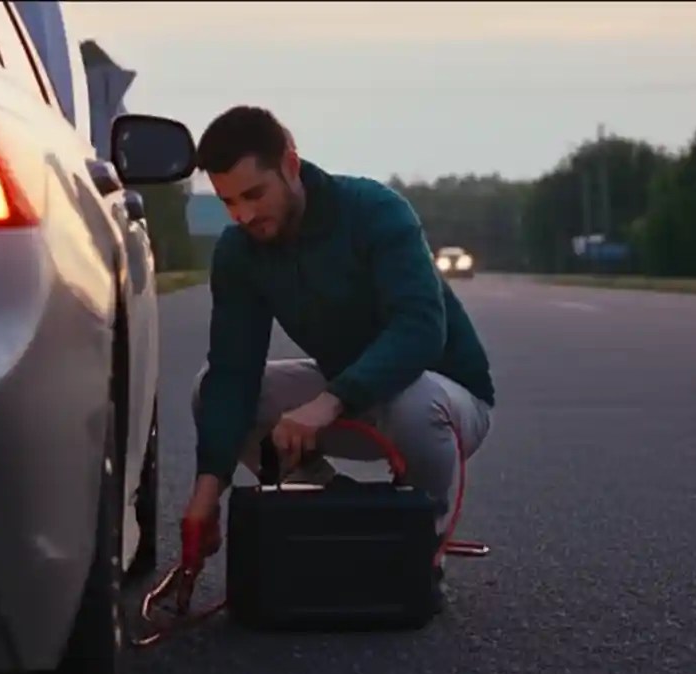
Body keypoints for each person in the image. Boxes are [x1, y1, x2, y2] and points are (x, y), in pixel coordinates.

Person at [182, 106, 497, 602]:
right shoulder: (239, 251)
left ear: (290, 164)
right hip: (350, 393)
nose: (242, 215)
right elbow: (233, 372)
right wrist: (206, 495)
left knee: (414, 403)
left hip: (444, 399)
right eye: (227, 201)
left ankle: (420, 549)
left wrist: (328, 402)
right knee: (211, 391)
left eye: (254, 194)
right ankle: (325, 507)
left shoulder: (374, 210)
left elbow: (420, 330)